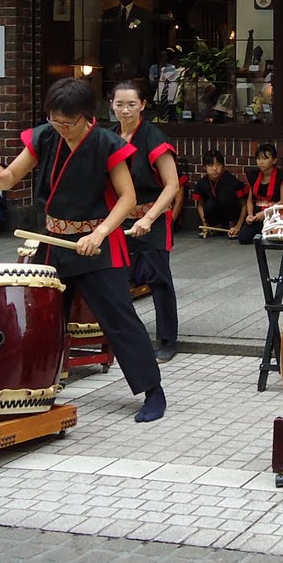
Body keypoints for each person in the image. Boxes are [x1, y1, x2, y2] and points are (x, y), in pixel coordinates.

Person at [0, 78, 165, 422]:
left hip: (99, 245)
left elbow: (128, 198)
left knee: (119, 318)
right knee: (43, 318)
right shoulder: (45, 136)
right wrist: (1, 177)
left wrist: (99, 233)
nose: (61, 128)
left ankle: (152, 391)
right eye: (56, 120)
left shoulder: (106, 143)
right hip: (55, 245)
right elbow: (12, 177)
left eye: (68, 123)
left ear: (86, 116)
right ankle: (36, 385)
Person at [111, 80, 182, 362]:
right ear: (111, 105)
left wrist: (150, 218)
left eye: (131, 104)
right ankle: (121, 335)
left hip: (151, 217)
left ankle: (167, 338)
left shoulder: (153, 137)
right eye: (119, 104)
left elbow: (172, 185)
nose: (125, 110)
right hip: (118, 220)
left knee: (158, 278)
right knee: (113, 277)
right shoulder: (108, 136)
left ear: (142, 105)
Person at [236, 143, 283, 244]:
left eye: (265, 158)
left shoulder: (281, 176)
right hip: (257, 213)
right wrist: (250, 215)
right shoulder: (253, 175)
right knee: (243, 238)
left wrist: (265, 213)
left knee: (274, 238)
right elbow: (250, 200)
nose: (261, 162)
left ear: (274, 160)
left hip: (275, 213)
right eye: (259, 158)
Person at [189, 150, 246, 235]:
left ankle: (232, 227)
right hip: (215, 219)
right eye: (211, 165)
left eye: (218, 165)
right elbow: (200, 205)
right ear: (204, 167)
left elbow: (244, 205)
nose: (215, 169)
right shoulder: (201, 183)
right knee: (209, 204)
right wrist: (205, 224)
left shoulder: (232, 181)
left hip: (232, 218)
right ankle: (214, 228)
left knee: (225, 199)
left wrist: (238, 226)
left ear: (223, 166)